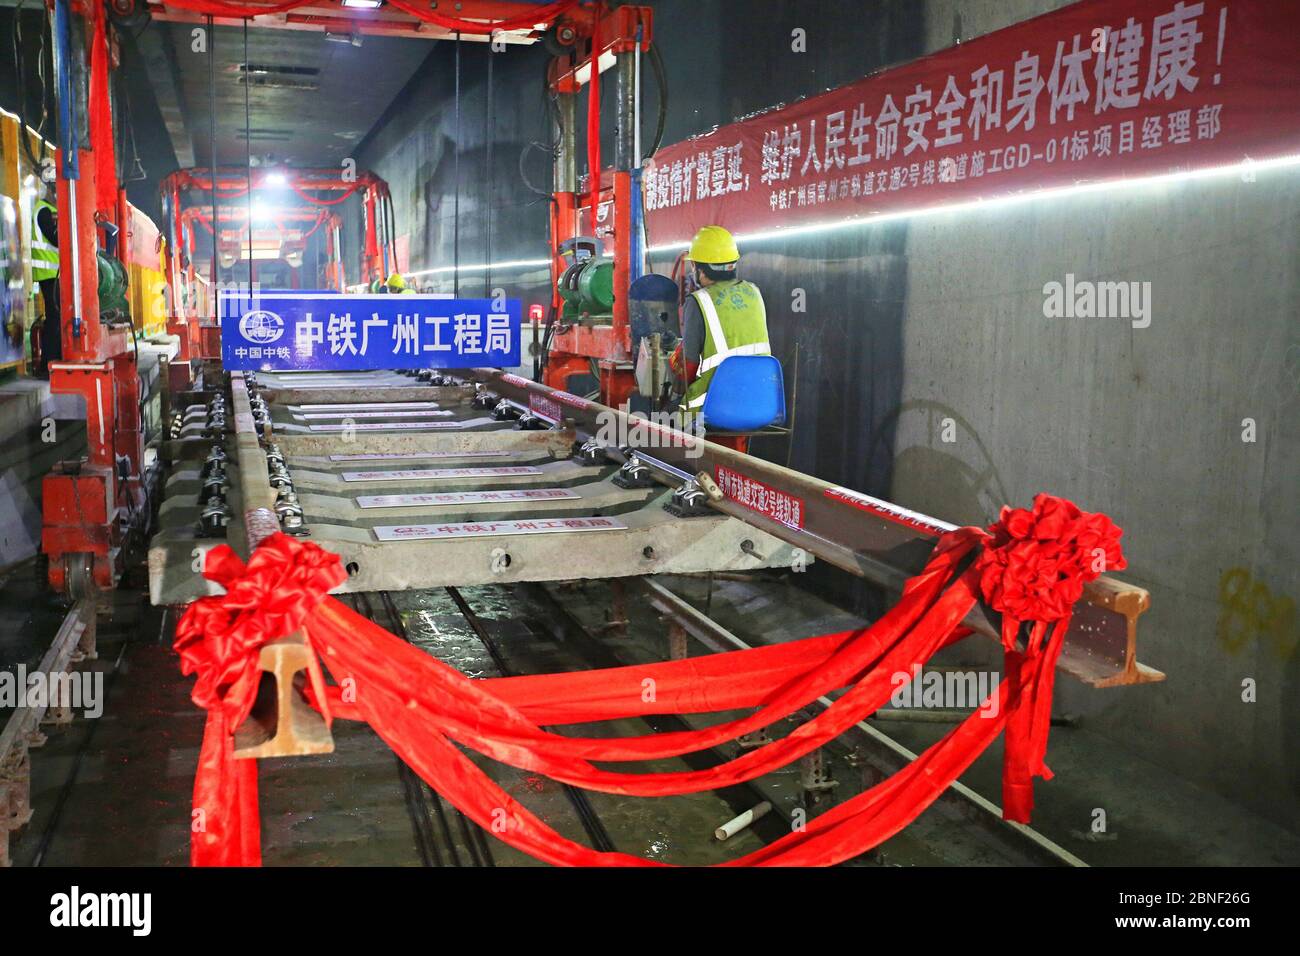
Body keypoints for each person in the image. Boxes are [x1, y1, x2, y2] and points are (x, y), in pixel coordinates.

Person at [669, 225, 770, 417]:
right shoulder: (754, 292)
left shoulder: (698, 301)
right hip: (759, 400)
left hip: (716, 404)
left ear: (701, 270)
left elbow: (688, 365)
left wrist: (674, 396)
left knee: (666, 419)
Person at [30, 177, 61, 370]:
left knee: (56, 316)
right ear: (49, 190)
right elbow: (56, 238)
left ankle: (50, 362)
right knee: (54, 317)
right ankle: (48, 363)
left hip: (54, 273)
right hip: (48, 273)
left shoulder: (51, 210)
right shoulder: (43, 211)